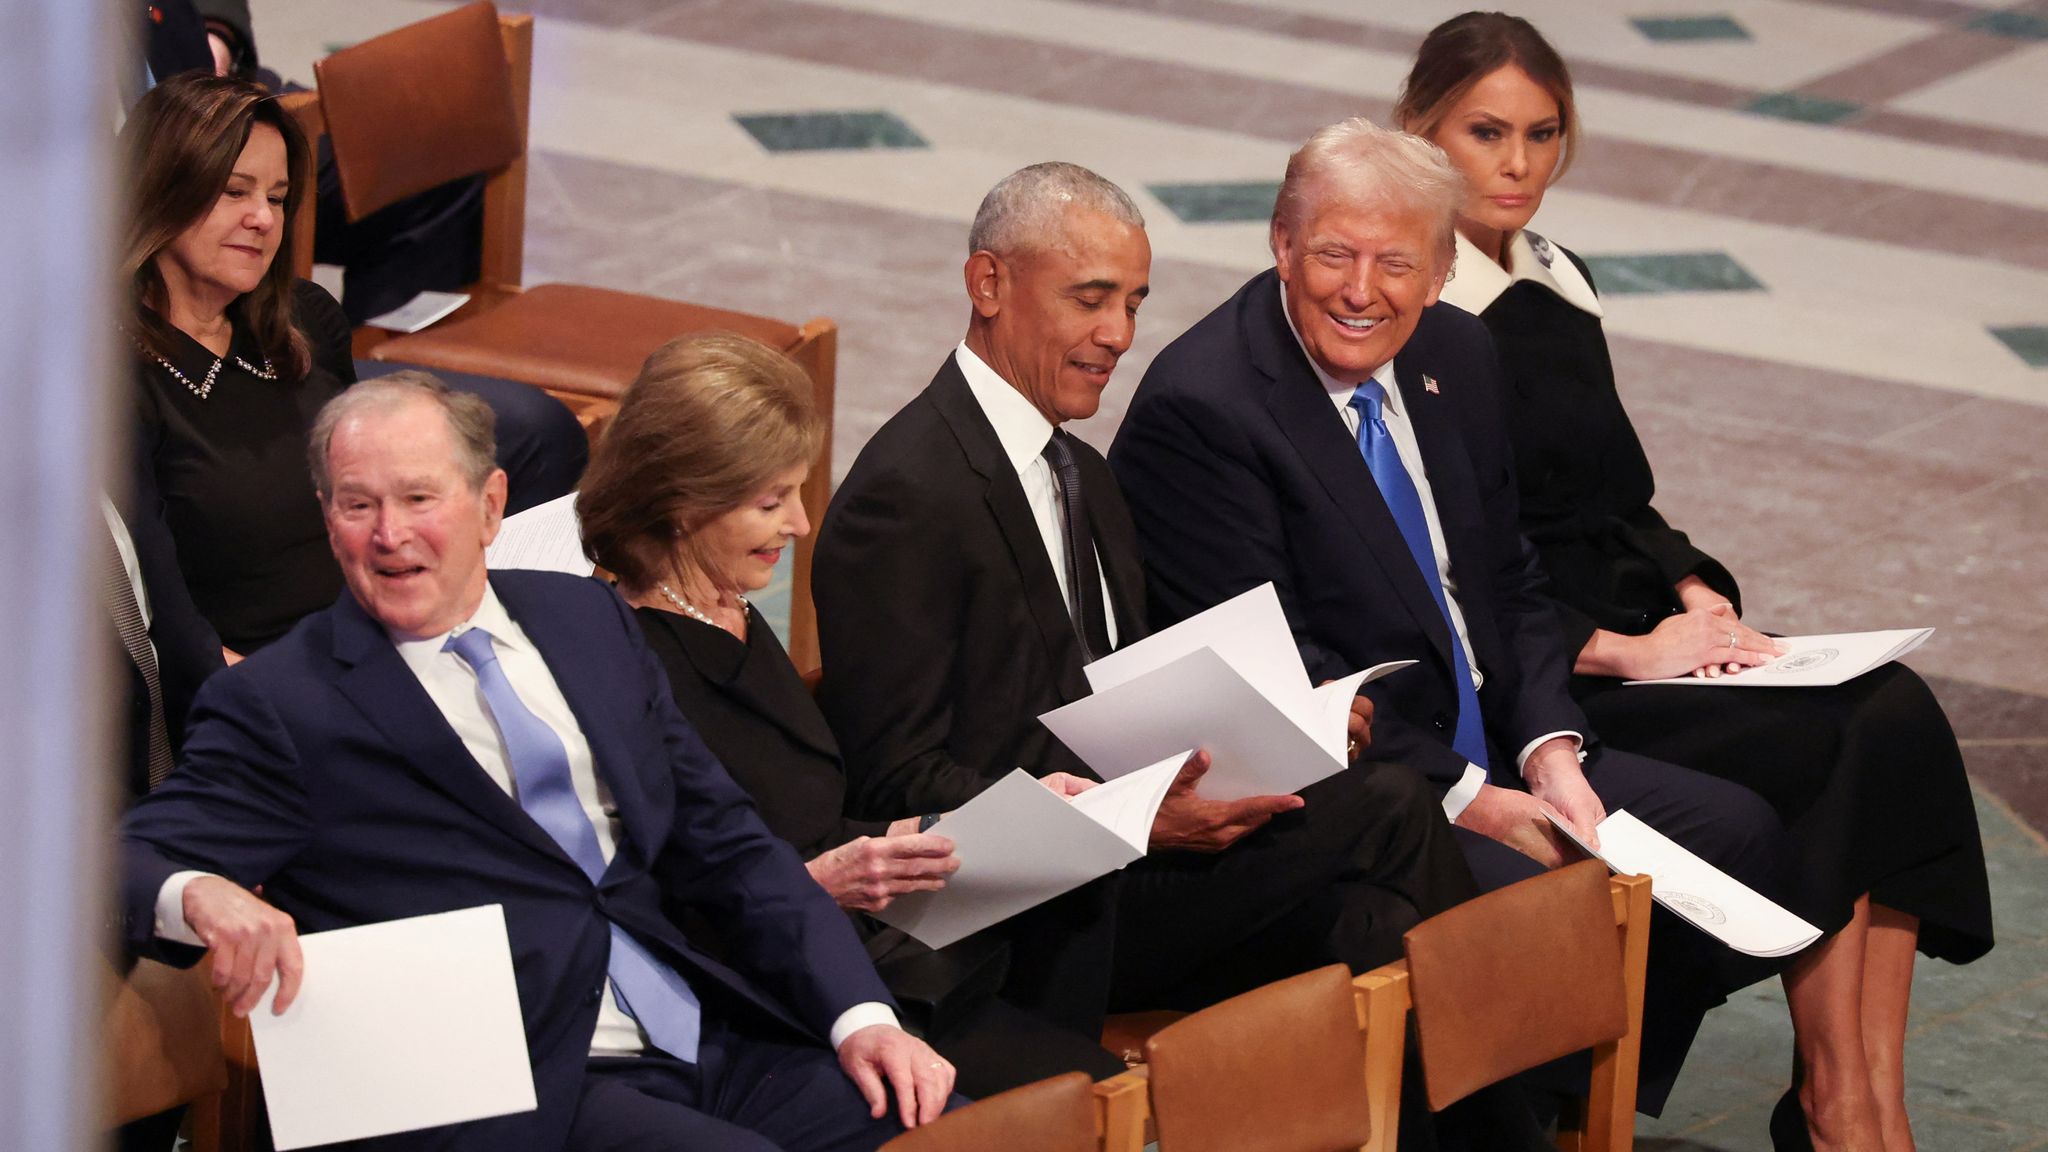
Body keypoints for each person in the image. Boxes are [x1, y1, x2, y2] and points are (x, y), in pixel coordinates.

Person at [815, 163, 1540, 1151]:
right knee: (1384, 803)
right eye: (1089, 299)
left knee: (1367, 924)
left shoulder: (1080, 469)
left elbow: (1122, 688)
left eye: (1132, 302)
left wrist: (1282, 723)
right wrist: (1128, 813)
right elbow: (894, 783)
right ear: (988, 284)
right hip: (1024, 913)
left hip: (1132, 865)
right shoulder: (905, 496)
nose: (1118, 334)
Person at [1107, 118, 1797, 1116]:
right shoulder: (1204, 407)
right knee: (1528, 923)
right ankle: (1515, 1102)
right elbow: (1282, 678)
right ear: (1281, 244)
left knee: (1737, 833)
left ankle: (1550, 1095)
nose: (1361, 291)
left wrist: (1551, 752)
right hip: (1369, 791)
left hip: (1500, 743)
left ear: (1439, 274)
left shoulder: (1459, 353)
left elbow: (1507, 579)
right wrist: (1475, 799)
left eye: (1395, 264)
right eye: (1334, 255)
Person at [1394, 14, 1994, 1150]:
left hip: (1639, 626)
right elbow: (1453, 562)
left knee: (1897, 715)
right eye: (1485, 132)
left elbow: (1615, 493)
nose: (1517, 163)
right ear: (1421, 131)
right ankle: (1834, 1108)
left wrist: (1692, 591)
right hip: (1549, 676)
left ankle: (1871, 1103)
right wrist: (1625, 649)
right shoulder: (1415, 308)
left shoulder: (1556, 275)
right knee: (1834, 746)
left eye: (1541, 134)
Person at [118, 371, 956, 1151]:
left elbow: (729, 844)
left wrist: (861, 1016)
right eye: (357, 505)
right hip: (510, 1091)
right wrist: (195, 892)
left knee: (949, 1127)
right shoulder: (280, 703)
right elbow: (120, 861)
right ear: (326, 516)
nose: (389, 534)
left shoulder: (584, 617)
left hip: (702, 1030)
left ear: (491, 506)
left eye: (418, 498)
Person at [576, 330, 1129, 1097]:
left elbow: (812, 823)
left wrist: (991, 814)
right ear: (682, 505)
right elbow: (663, 906)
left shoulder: (727, 606)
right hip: (773, 1004)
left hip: (870, 958)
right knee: (1086, 1102)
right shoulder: (626, 664)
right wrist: (815, 884)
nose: (801, 524)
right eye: (771, 502)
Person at [120, 74, 583, 655]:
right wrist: (273, 695)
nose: (263, 219)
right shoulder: (109, 381)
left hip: (374, 637)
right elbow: (154, 614)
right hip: (259, 681)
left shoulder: (305, 321)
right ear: (160, 191)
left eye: (277, 198)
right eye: (235, 192)